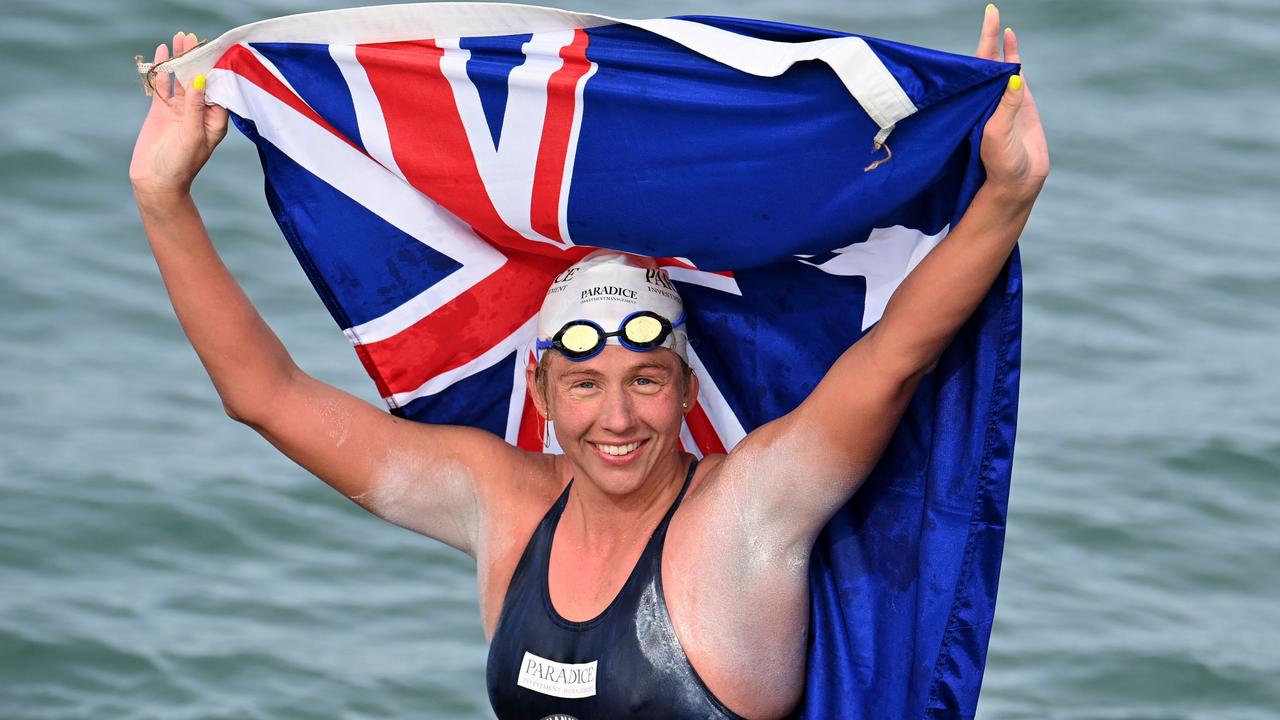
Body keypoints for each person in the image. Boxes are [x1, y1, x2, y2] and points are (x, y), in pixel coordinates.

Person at [129, 5, 1046, 718]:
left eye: (646, 381)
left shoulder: (749, 511)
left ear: (686, 387)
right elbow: (266, 396)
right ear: (542, 388)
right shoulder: (501, 503)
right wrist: (163, 198)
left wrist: (1006, 197)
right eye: (585, 384)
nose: (617, 418)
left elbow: (891, 362)